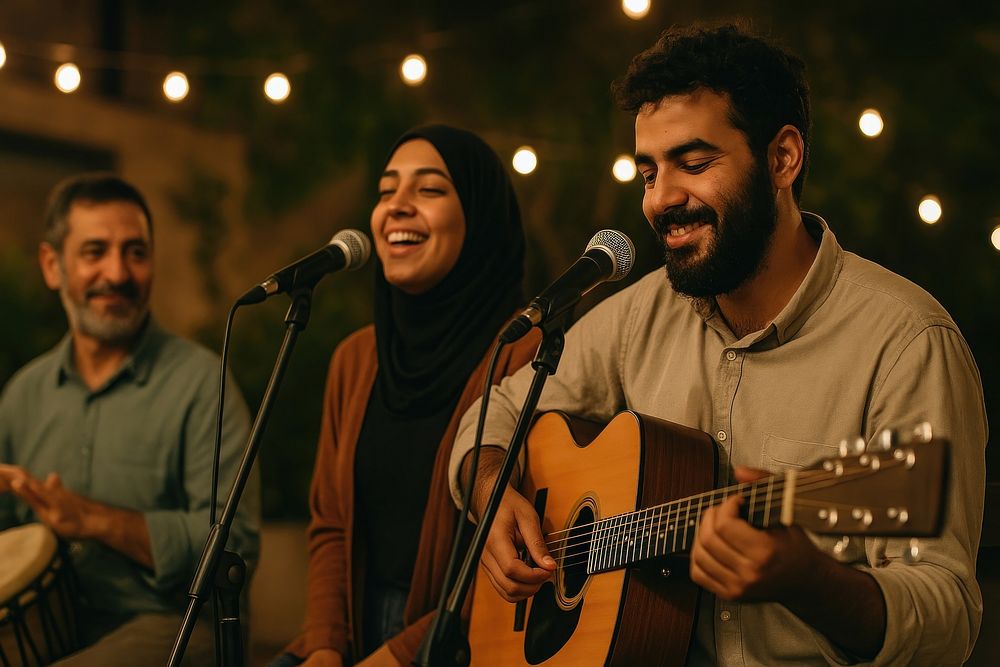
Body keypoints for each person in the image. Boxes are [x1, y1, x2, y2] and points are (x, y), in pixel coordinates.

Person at [449, 25, 986, 666]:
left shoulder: (907, 343)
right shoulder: (641, 313)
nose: (660, 199)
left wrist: (809, 582)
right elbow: (495, 412)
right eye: (648, 172)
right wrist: (490, 491)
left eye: (694, 165)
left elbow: (947, 618)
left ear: (783, 158)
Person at [274, 125, 539, 667]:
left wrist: (400, 654)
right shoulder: (355, 359)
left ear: (479, 218)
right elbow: (330, 521)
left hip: (464, 644)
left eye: (429, 189)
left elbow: (527, 546)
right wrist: (325, 645)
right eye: (386, 189)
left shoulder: (529, 354)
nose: (395, 206)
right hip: (352, 631)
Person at [0, 173, 260, 665]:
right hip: (46, 626)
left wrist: (92, 519)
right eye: (95, 251)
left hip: (174, 625)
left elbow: (237, 546)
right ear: (51, 266)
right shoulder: (23, 394)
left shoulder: (203, 383)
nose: (118, 273)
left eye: (136, 252)